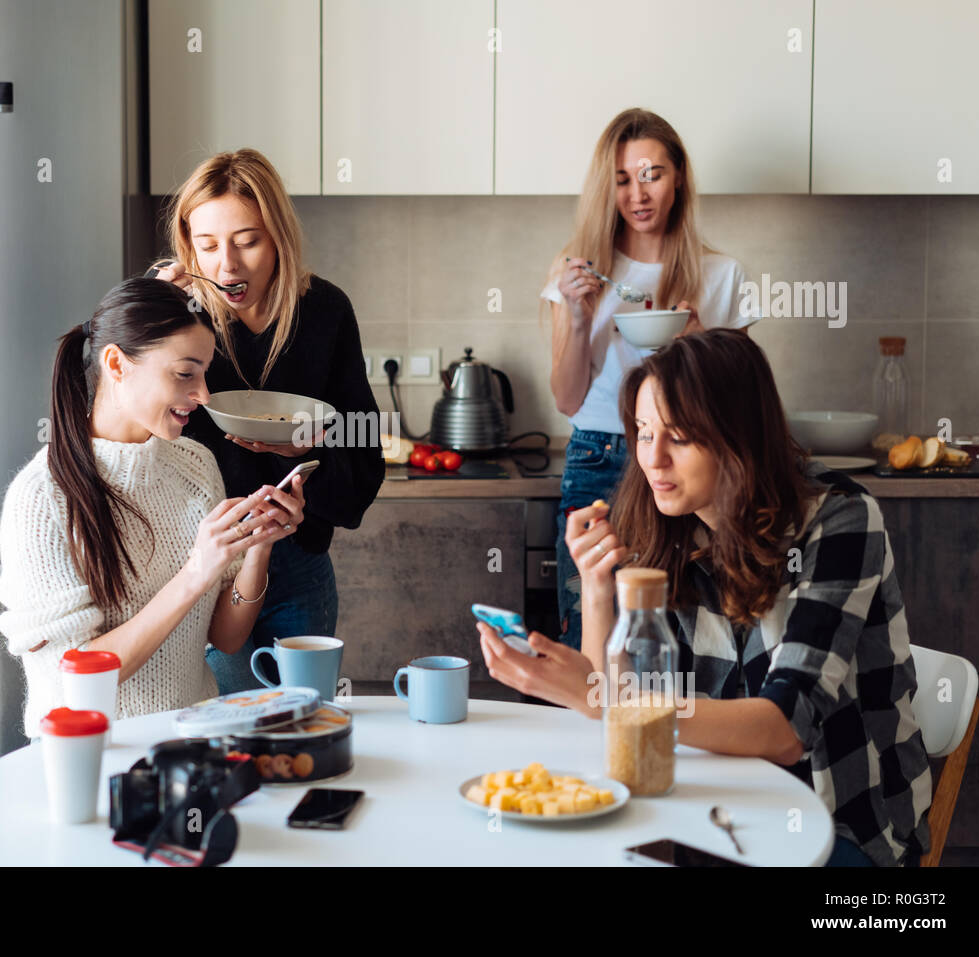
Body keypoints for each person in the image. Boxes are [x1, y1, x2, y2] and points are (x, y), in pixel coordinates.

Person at [478, 330, 932, 867]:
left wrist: (603, 700)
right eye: (644, 433)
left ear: (739, 436)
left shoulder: (840, 519)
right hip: (711, 806)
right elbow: (619, 718)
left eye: (679, 437)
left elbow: (786, 729)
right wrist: (598, 588)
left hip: (838, 822)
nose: (654, 460)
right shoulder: (667, 524)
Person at [0, 278, 306, 738]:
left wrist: (259, 545)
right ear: (117, 364)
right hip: (95, 758)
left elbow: (226, 637)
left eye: (204, 374)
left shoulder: (195, 465)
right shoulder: (41, 498)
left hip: (193, 742)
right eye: (185, 374)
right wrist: (197, 572)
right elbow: (80, 675)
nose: (203, 395)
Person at [153, 149, 384, 693]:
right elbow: (126, 429)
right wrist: (154, 320)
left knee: (300, 730)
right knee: (224, 737)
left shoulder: (324, 312)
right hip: (200, 569)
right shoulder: (176, 315)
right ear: (189, 247)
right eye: (208, 246)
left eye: (248, 240)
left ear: (279, 235)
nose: (227, 266)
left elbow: (363, 461)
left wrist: (303, 457)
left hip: (298, 568)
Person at [545, 108, 754, 649]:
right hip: (598, 460)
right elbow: (568, 400)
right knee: (589, 628)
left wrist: (704, 345)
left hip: (690, 467)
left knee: (685, 634)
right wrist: (576, 314)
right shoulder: (576, 273)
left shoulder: (723, 275)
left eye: (652, 175)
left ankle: (674, 733)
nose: (637, 194)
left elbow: (747, 407)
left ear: (679, 176)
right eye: (621, 180)